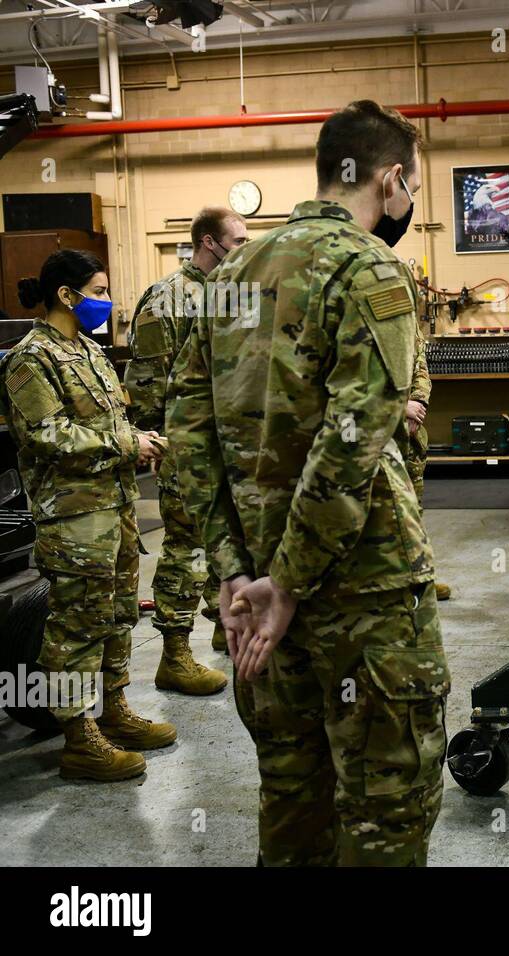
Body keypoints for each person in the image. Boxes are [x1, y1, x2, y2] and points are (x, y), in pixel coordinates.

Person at [167, 100, 449, 866]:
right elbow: (351, 442)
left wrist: (237, 572)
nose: (409, 203)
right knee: (385, 811)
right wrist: (287, 584)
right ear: (391, 180)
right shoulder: (371, 268)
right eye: (411, 187)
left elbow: (190, 438)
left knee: (292, 804)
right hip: (361, 596)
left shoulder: (233, 273)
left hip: (256, 602)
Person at [0, 250, 176, 781]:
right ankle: (79, 738)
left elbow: (111, 418)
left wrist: (139, 438)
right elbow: (45, 434)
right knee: (75, 626)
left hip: (115, 508)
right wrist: (128, 443)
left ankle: (114, 710)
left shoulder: (91, 352)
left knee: (118, 614)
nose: (106, 301)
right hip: (73, 517)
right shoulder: (32, 358)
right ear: (66, 295)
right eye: (98, 291)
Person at [125, 206, 248, 690]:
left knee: (227, 538)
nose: (244, 248)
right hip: (186, 442)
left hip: (225, 441)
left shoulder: (230, 293)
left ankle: (224, 627)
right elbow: (151, 380)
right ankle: (174, 654)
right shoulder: (169, 298)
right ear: (207, 242)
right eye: (237, 241)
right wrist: (166, 443)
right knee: (186, 547)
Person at [402, 312, 449, 601]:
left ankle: (419, 578)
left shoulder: (404, 317)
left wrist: (418, 403)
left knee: (413, 510)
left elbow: (420, 366)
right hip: (374, 433)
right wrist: (399, 406)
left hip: (410, 435)